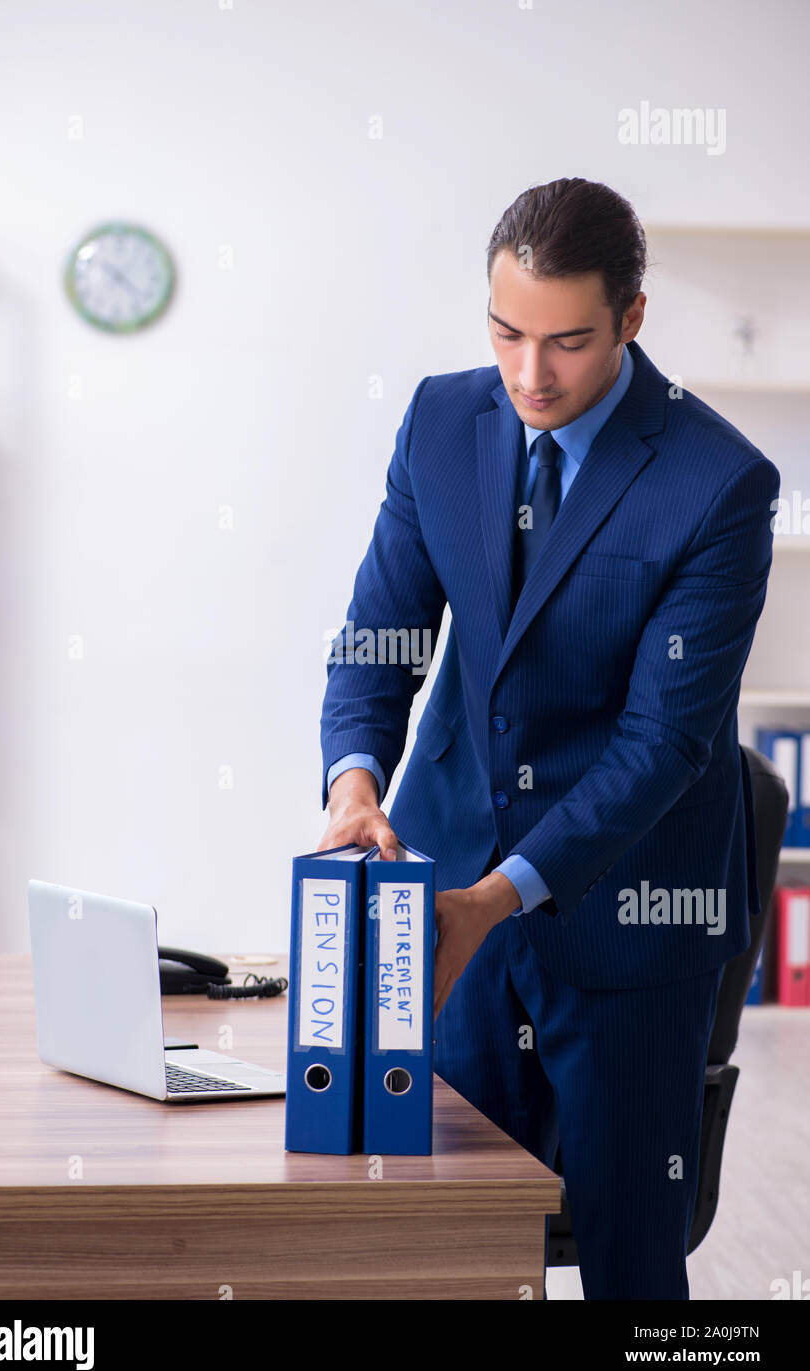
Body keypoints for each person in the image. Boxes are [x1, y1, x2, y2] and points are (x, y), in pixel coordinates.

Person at [316, 177, 779, 1300]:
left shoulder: (720, 484)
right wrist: (355, 780)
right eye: (507, 331)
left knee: (629, 1261)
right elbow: (381, 631)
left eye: (567, 342)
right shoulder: (440, 420)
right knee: (445, 1235)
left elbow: (663, 745)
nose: (531, 375)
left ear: (631, 318)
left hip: (630, 913)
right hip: (446, 883)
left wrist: (501, 895)